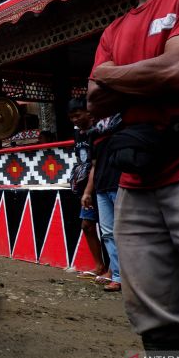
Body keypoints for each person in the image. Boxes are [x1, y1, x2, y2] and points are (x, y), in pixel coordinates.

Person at [85, 0, 179, 351]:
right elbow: (95, 101)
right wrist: (149, 73)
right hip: (136, 180)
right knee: (157, 322)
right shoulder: (114, 28)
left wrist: (113, 75)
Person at [81, 114, 123, 292]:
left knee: (125, 232)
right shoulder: (94, 133)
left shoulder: (122, 121)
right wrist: (88, 191)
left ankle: (129, 276)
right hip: (102, 187)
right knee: (108, 233)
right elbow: (94, 165)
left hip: (121, 184)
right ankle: (118, 276)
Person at [67, 98, 106, 278]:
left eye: (77, 115)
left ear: (88, 113)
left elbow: (95, 164)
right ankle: (99, 266)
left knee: (107, 228)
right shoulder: (78, 134)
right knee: (87, 226)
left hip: (99, 184)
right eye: (71, 117)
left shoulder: (97, 131)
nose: (74, 120)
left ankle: (114, 270)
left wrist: (88, 191)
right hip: (85, 186)